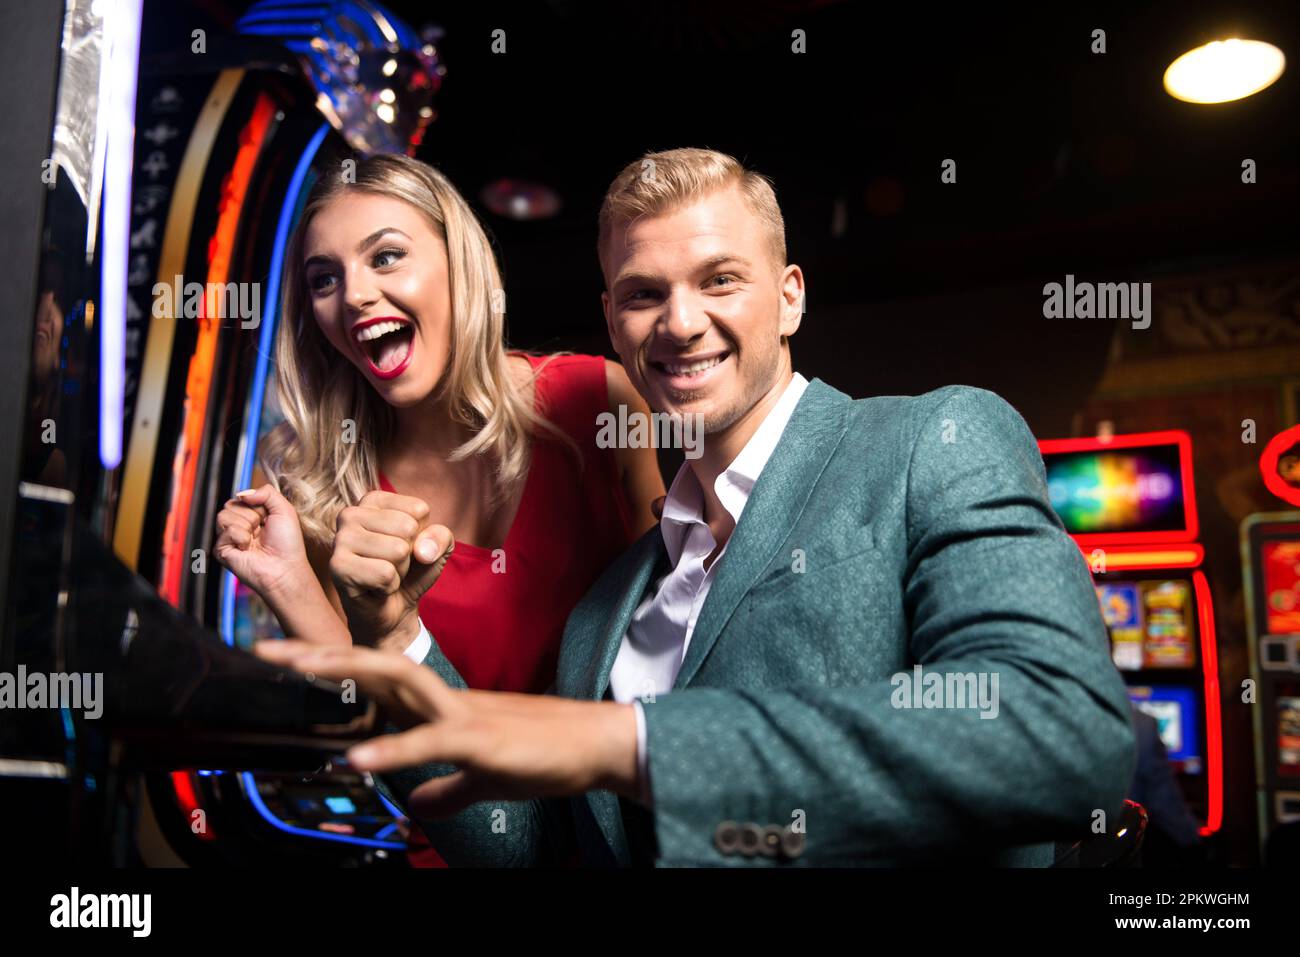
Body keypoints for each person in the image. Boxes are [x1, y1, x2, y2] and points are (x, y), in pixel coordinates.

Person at [258, 147, 1137, 866]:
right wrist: (396, 633)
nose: (680, 323)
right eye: (645, 294)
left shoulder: (932, 441)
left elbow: (1061, 732)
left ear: (790, 295)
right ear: (613, 322)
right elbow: (519, 853)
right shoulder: (605, 612)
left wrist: (633, 744)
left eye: (720, 280)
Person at [214, 154, 664, 866]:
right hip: (456, 842)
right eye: (323, 278)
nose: (354, 295)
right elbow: (364, 709)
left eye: (385, 257)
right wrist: (287, 582)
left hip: (614, 827)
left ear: (458, 261)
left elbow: (670, 637)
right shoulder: (329, 479)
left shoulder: (598, 401)